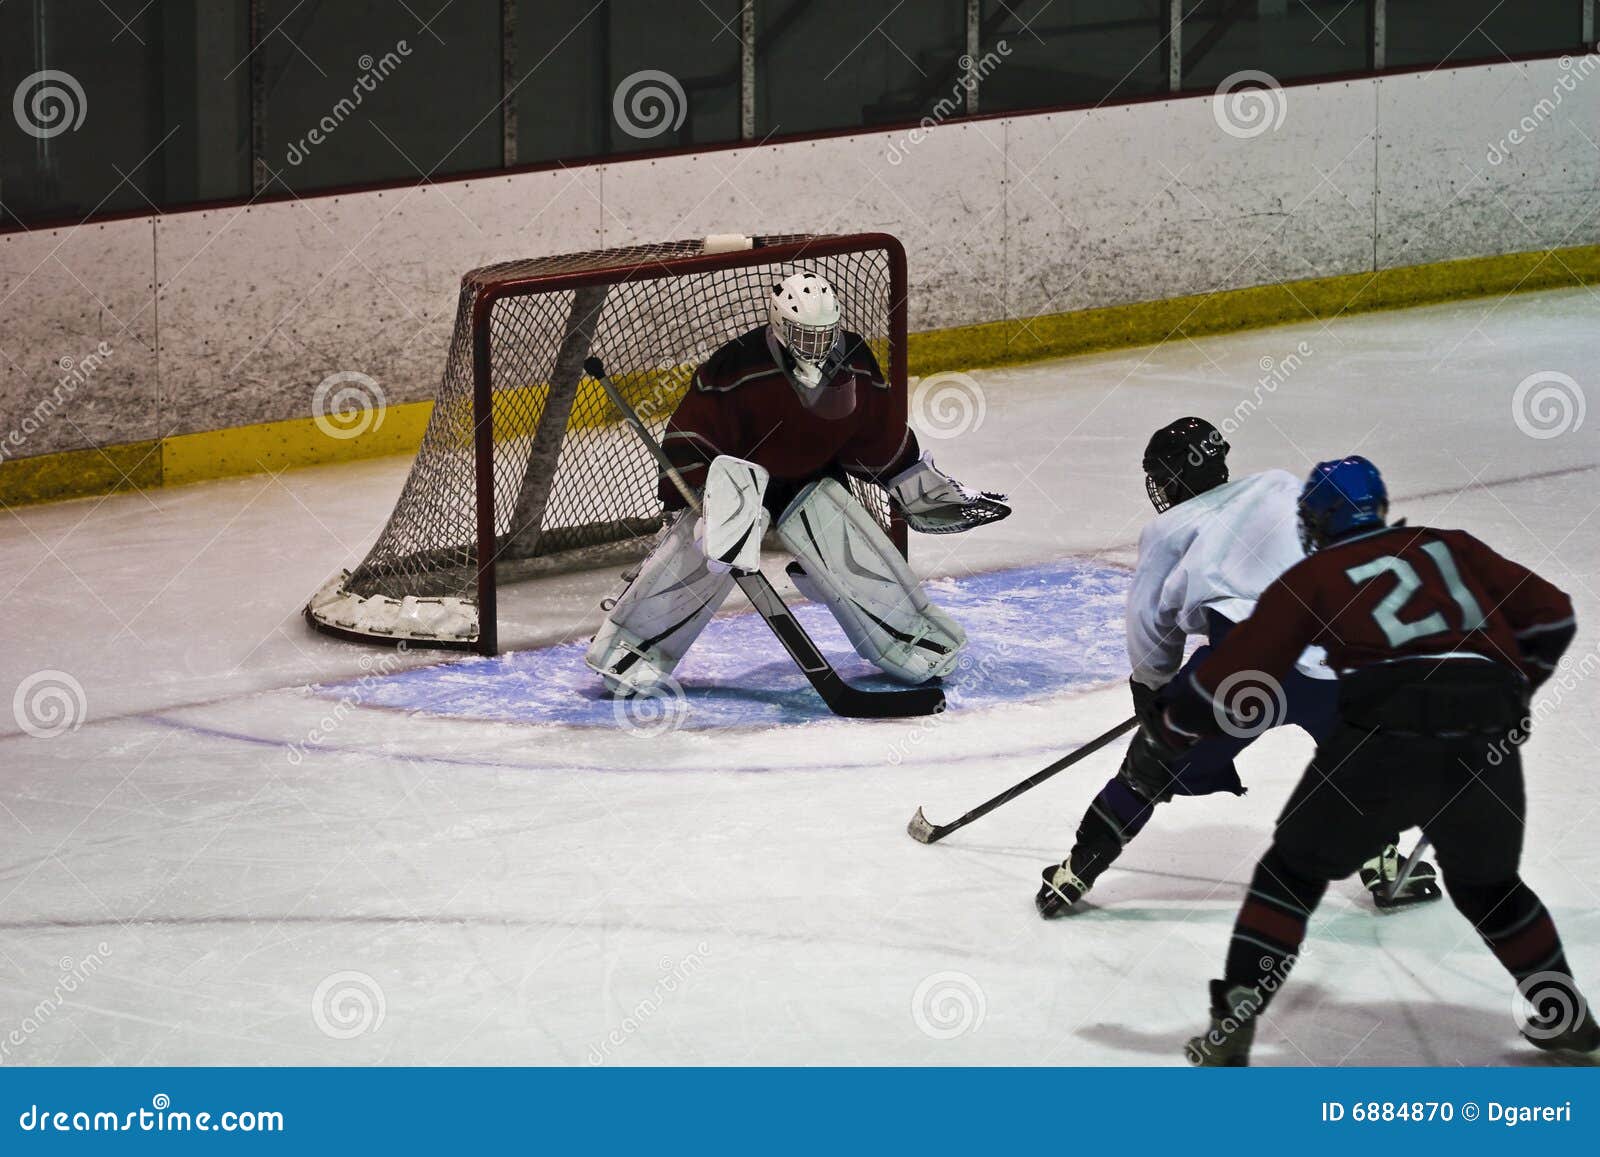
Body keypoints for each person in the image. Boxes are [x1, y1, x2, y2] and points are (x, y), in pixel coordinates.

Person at [1137, 454, 1596, 1065]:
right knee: (1491, 886)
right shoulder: (1450, 546)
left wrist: (1171, 728)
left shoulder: (1315, 576)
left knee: (1290, 876)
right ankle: (1568, 1020)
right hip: (1485, 729)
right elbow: (1555, 614)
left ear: (1319, 520)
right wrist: (1513, 690)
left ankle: (1232, 1027)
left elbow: (1236, 671)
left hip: (1385, 729)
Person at [1037, 418, 1437, 918]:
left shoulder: (1166, 529)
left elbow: (1150, 624)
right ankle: (1384, 863)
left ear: (1174, 478)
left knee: (1148, 769)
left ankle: (1077, 871)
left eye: (1160, 476)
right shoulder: (1280, 483)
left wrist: (1154, 693)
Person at [586, 271, 1009, 696]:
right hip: (740, 481)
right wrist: (697, 496)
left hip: (812, 478)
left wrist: (912, 482)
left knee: (848, 548)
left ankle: (909, 639)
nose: (816, 345)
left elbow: (875, 431)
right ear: (780, 325)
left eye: (824, 333)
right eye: (805, 334)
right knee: (711, 544)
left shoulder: (854, 359)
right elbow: (695, 434)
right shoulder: (738, 363)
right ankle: (632, 648)